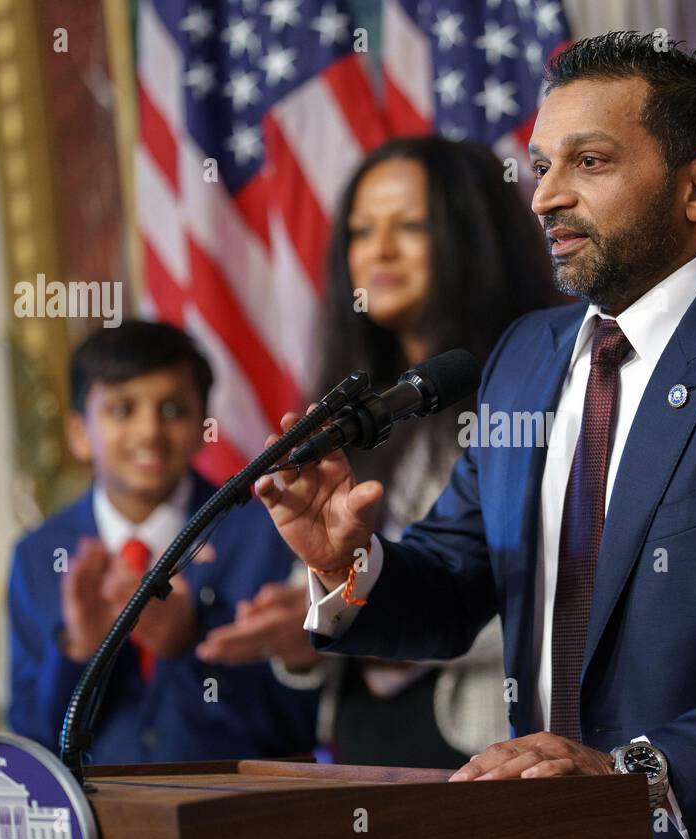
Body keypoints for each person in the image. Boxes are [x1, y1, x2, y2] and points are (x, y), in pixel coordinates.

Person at [255, 32, 696, 839]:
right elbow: (464, 574)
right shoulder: (524, 357)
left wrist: (634, 774)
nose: (545, 199)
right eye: (541, 167)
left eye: (591, 163)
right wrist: (349, 565)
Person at [197, 137, 559, 768]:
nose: (379, 251)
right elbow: (323, 579)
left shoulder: (539, 386)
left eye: (410, 226)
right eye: (361, 231)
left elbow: (551, 594)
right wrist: (306, 622)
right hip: (361, 744)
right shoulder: (345, 409)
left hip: (486, 746)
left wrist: (371, 627)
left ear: (474, 235)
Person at [6, 320, 320, 764]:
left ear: (201, 426)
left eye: (173, 410)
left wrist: (188, 644)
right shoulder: (39, 554)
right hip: (94, 818)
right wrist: (78, 651)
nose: (149, 431)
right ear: (79, 432)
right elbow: (32, 738)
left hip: (231, 812)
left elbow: (295, 723)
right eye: (122, 409)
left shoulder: (264, 533)